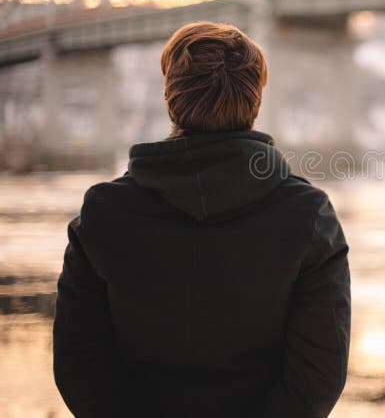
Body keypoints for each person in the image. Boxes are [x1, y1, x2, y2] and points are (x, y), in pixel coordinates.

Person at [52, 21, 351, 418]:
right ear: (255, 101)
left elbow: (79, 365)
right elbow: (318, 376)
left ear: (171, 99)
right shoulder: (309, 216)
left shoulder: (104, 214)